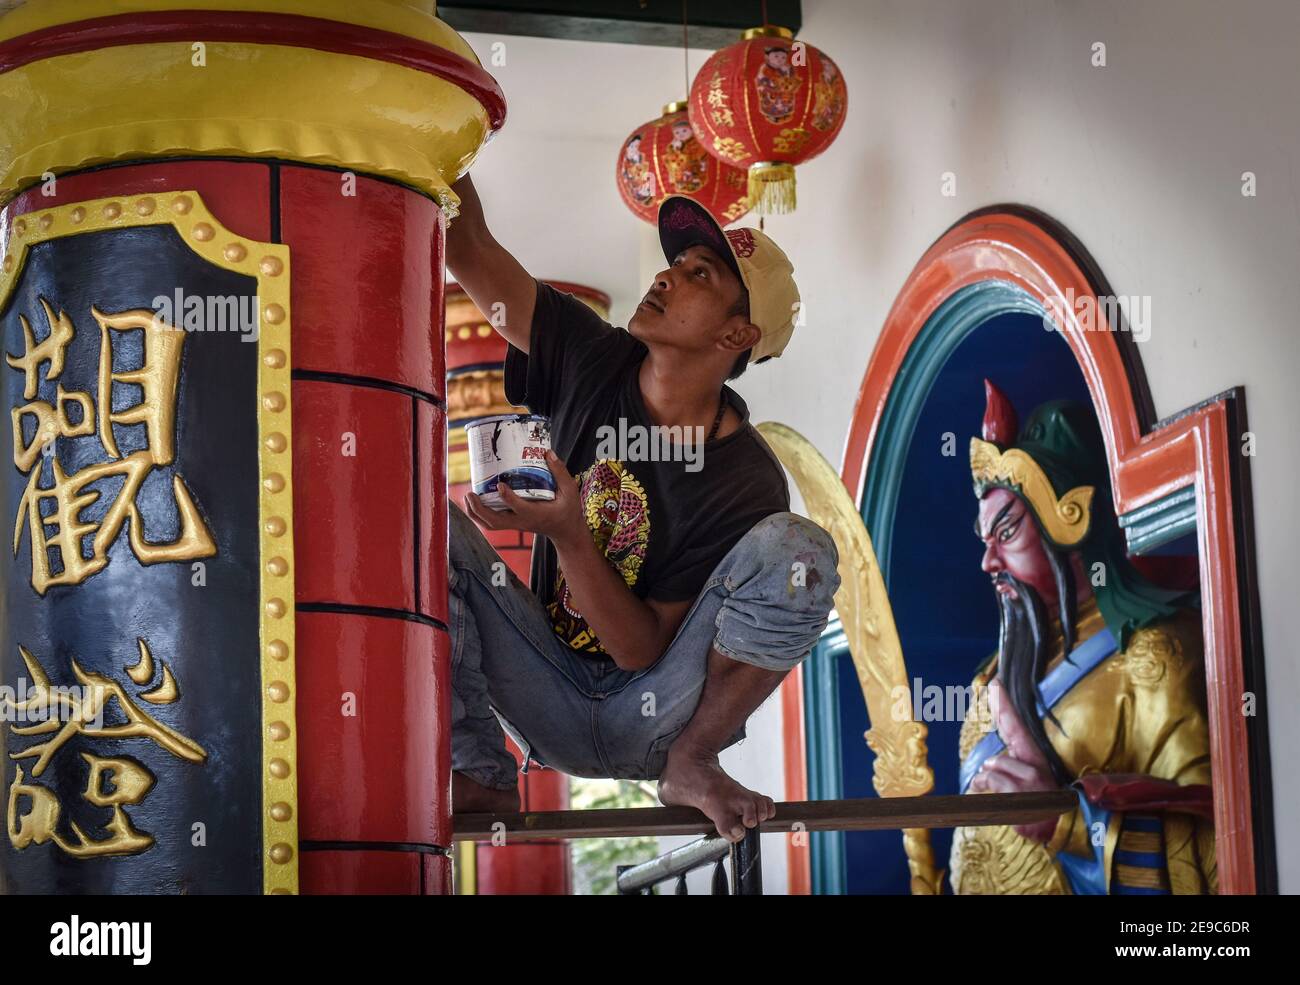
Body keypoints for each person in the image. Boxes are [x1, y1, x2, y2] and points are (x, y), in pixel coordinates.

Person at [444, 175, 839, 842]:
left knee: (796, 552)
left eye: (699, 274)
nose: (667, 276)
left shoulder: (744, 479)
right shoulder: (587, 354)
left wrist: (569, 531)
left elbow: (638, 649)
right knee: (428, 520)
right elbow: (471, 249)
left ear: (736, 333)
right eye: (675, 263)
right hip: (545, 685)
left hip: (651, 716)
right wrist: (440, 131)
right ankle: (480, 766)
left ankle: (695, 760)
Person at [953, 380, 1215, 894]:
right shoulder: (992, 674)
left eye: (1006, 533)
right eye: (985, 542)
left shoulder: (1154, 653)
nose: (989, 562)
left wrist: (1067, 822)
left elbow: (1213, 828)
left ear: (1068, 518)